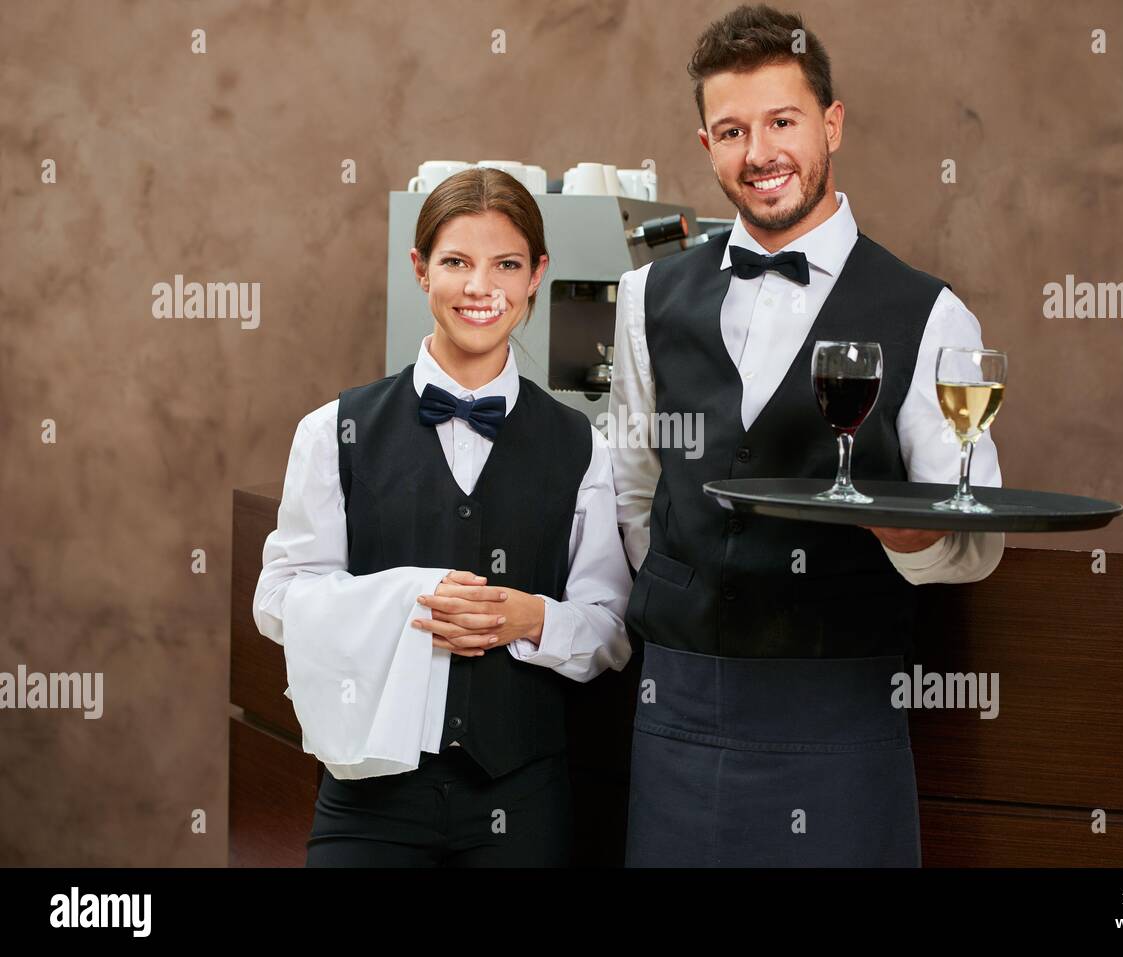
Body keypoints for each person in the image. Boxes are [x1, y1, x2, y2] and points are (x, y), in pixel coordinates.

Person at [610, 4, 1004, 866]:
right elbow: (633, 489)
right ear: (706, 143)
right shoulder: (646, 298)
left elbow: (976, 538)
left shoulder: (931, 315)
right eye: (731, 130)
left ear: (831, 123)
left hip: (839, 704)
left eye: (782, 121)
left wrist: (914, 534)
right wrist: (687, 594)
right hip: (677, 707)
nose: (759, 154)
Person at [253, 167, 632, 867]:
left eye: (506, 264)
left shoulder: (585, 446)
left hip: (521, 800)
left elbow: (611, 627)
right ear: (421, 270)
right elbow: (275, 600)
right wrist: (404, 601)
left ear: (535, 276)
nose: (481, 287)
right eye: (456, 261)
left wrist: (529, 619)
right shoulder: (332, 430)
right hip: (367, 797)